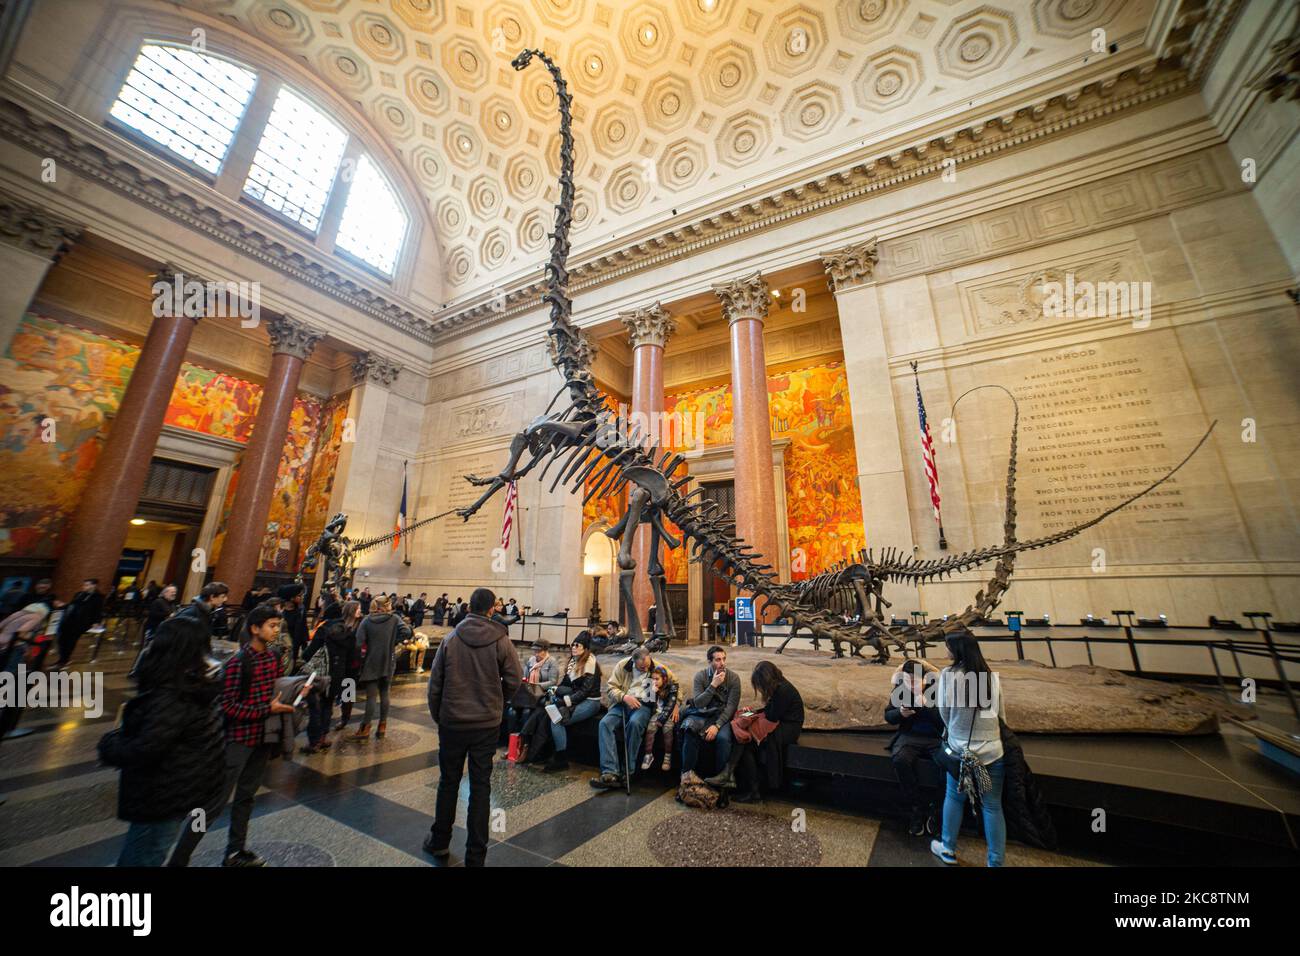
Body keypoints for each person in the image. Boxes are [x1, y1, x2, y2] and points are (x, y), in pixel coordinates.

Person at [168, 604, 294, 867]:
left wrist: (297, 689)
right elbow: (228, 706)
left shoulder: (272, 659)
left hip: (262, 738)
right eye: (271, 626)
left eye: (277, 626)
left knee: (247, 796)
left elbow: (276, 690)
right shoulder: (238, 662)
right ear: (254, 628)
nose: (275, 631)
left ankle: (235, 851)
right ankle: (179, 859)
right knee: (212, 804)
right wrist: (265, 709)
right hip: (237, 739)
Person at [98, 616, 226, 866]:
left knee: (145, 854)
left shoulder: (174, 696)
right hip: (180, 787)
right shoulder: (196, 687)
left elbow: (147, 747)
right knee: (151, 850)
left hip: (163, 792)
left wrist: (110, 745)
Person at [424, 587, 522, 867]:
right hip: (485, 724)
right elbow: (514, 679)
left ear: (469, 608)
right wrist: (497, 702)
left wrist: (439, 715)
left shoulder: (451, 638)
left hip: (452, 722)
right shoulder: (501, 641)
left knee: (448, 782)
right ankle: (476, 856)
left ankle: (440, 842)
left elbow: (435, 684)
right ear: (491, 609)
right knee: (480, 787)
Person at [932, 628, 1007, 867]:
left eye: (947, 646)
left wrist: (955, 729)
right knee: (992, 806)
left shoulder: (948, 675)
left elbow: (944, 713)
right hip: (992, 752)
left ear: (956, 649)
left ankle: (948, 849)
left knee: (954, 798)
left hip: (961, 751)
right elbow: (1001, 714)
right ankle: (996, 862)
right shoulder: (990, 677)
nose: (945, 650)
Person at [705, 660, 804, 803]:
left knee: (746, 740)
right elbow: (770, 711)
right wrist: (752, 712)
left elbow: (772, 715)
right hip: (781, 723)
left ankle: (732, 776)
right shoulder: (779, 686)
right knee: (745, 742)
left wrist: (753, 715)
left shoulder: (783, 690)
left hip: (789, 728)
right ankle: (739, 781)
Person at [590, 647, 674, 790]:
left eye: (647, 665)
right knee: (604, 724)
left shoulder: (657, 666)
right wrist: (624, 697)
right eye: (642, 667)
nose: (645, 668)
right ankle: (610, 772)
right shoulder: (623, 665)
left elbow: (675, 684)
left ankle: (628, 771)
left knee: (635, 723)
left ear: (649, 657)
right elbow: (610, 688)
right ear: (633, 661)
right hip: (622, 703)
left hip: (644, 705)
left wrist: (676, 703)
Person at [519, 634, 601, 772]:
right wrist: (554, 691)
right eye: (572, 645)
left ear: (585, 648)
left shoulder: (591, 664)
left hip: (590, 702)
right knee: (547, 711)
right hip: (575, 698)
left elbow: (585, 692)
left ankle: (561, 758)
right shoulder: (573, 661)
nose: (573, 648)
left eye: (577, 645)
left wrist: (564, 701)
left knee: (557, 719)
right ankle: (540, 751)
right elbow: (565, 683)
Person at [884, 657, 944, 836]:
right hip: (910, 737)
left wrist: (925, 704)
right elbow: (888, 716)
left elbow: (944, 720)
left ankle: (937, 810)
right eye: (906, 679)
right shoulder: (901, 689)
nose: (910, 683)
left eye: (913, 680)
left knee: (948, 764)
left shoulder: (935, 690)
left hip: (935, 738)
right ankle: (917, 808)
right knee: (900, 760)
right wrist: (900, 713)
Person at [352, 595, 411, 739]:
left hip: (371, 660)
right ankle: (382, 726)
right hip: (389, 659)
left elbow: (358, 643)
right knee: (385, 693)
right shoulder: (394, 619)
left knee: (371, 696)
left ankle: (365, 728)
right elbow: (407, 632)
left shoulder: (367, 621)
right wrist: (394, 641)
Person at [678, 645, 740, 777]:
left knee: (723, 739)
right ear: (710, 662)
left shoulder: (733, 678)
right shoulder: (701, 676)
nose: (722, 663)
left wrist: (717, 726)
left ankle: (720, 781)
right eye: (717, 660)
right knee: (689, 731)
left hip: (721, 716)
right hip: (703, 714)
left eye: (724, 659)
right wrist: (713, 685)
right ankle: (687, 777)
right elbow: (699, 704)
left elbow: (731, 707)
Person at [507, 639, 556, 734]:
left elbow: (553, 682)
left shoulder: (551, 662)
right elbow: (524, 677)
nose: (536, 653)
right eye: (534, 650)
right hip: (528, 694)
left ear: (545, 650)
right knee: (511, 711)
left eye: (539, 651)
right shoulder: (530, 661)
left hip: (541, 694)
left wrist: (536, 686)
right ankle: (512, 739)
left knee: (527, 712)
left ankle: (525, 740)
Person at [55, 578, 105, 667]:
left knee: (71, 641)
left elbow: (98, 611)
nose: (84, 587)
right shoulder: (79, 594)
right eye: (84, 585)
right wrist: (63, 606)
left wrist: (96, 622)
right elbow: (72, 605)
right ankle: (62, 658)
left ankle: (64, 660)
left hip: (81, 622)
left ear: (94, 585)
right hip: (69, 620)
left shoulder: (98, 597)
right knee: (61, 639)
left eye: (87, 585)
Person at [332, 600, 364, 732]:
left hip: (352, 665)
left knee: (348, 693)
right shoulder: (339, 624)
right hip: (338, 663)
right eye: (358, 609)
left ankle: (345, 718)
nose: (360, 611)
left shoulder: (361, 624)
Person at [640, 666, 678, 772]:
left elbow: (670, 705)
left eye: (657, 679)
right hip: (656, 713)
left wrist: (661, 720)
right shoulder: (651, 686)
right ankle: (648, 755)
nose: (654, 681)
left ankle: (667, 756)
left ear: (664, 679)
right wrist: (651, 692)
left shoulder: (672, 687)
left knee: (668, 729)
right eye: (653, 679)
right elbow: (645, 702)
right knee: (650, 729)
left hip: (667, 713)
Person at [278, 584, 308, 667]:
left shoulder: (301, 610)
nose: (302, 597)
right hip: (280, 645)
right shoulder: (279, 610)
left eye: (302, 595)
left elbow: (304, 627)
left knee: (290, 666)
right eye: (299, 595)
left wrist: (304, 644)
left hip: (295, 645)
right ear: (291, 597)